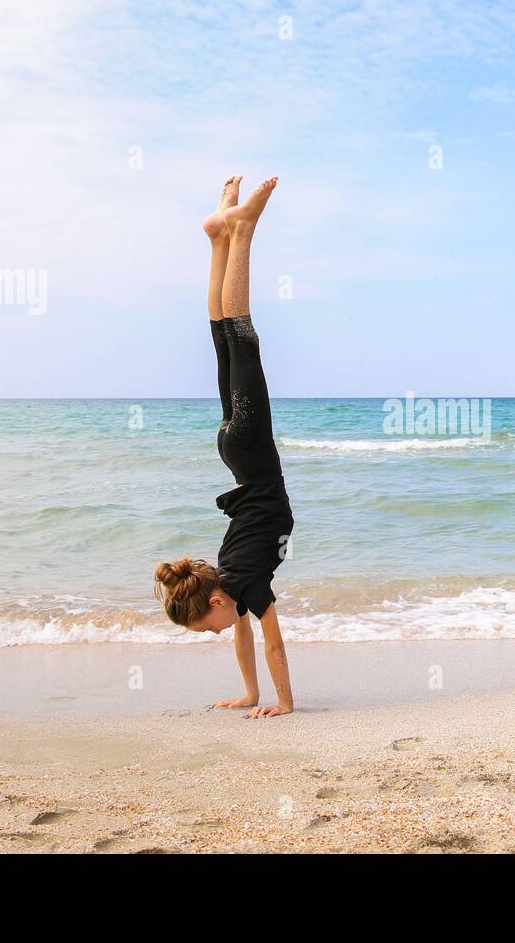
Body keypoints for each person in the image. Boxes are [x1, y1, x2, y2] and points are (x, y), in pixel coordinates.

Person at [154, 175, 294, 719]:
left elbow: (273, 642)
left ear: (214, 601)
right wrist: (252, 696)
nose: (210, 633)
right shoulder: (228, 582)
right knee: (223, 341)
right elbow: (246, 637)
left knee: (241, 337)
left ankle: (242, 230)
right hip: (233, 453)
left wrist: (284, 702)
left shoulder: (246, 583)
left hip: (251, 454)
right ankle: (218, 235)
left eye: (202, 627)